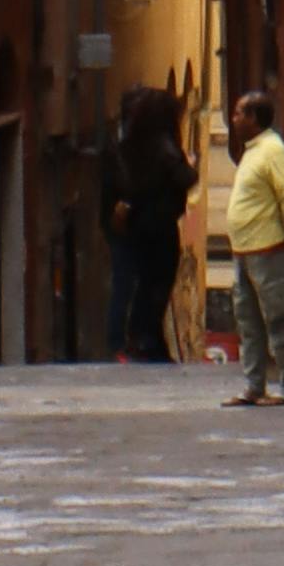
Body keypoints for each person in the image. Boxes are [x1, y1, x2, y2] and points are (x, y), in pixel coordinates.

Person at [223, 73, 284, 408]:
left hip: (268, 248)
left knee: (278, 320)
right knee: (249, 322)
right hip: (245, 250)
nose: (234, 119)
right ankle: (254, 386)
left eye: (239, 114)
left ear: (254, 118)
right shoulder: (253, 151)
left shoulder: (272, 150)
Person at [103, 87, 193, 363]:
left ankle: (129, 342)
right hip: (159, 229)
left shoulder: (125, 147)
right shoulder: (165, 147)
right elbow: (185, 178)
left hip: (131, 230)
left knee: (134, 285)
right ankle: (146, 341)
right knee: (156, 286)